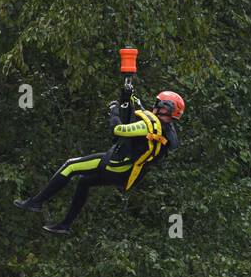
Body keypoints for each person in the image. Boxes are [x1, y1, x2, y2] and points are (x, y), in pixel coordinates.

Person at [14, 90, 184, 235]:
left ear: (165, 108)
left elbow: (118, 130)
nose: (154, 106)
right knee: (84, 182)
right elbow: (142, 119)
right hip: (126, 175)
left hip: (115, 165)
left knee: (71, 165)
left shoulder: (149, 127)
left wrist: (114, 111)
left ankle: (36, 202)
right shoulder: (168, 132)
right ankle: (65, 225)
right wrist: (128, 98)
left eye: (158, 103)